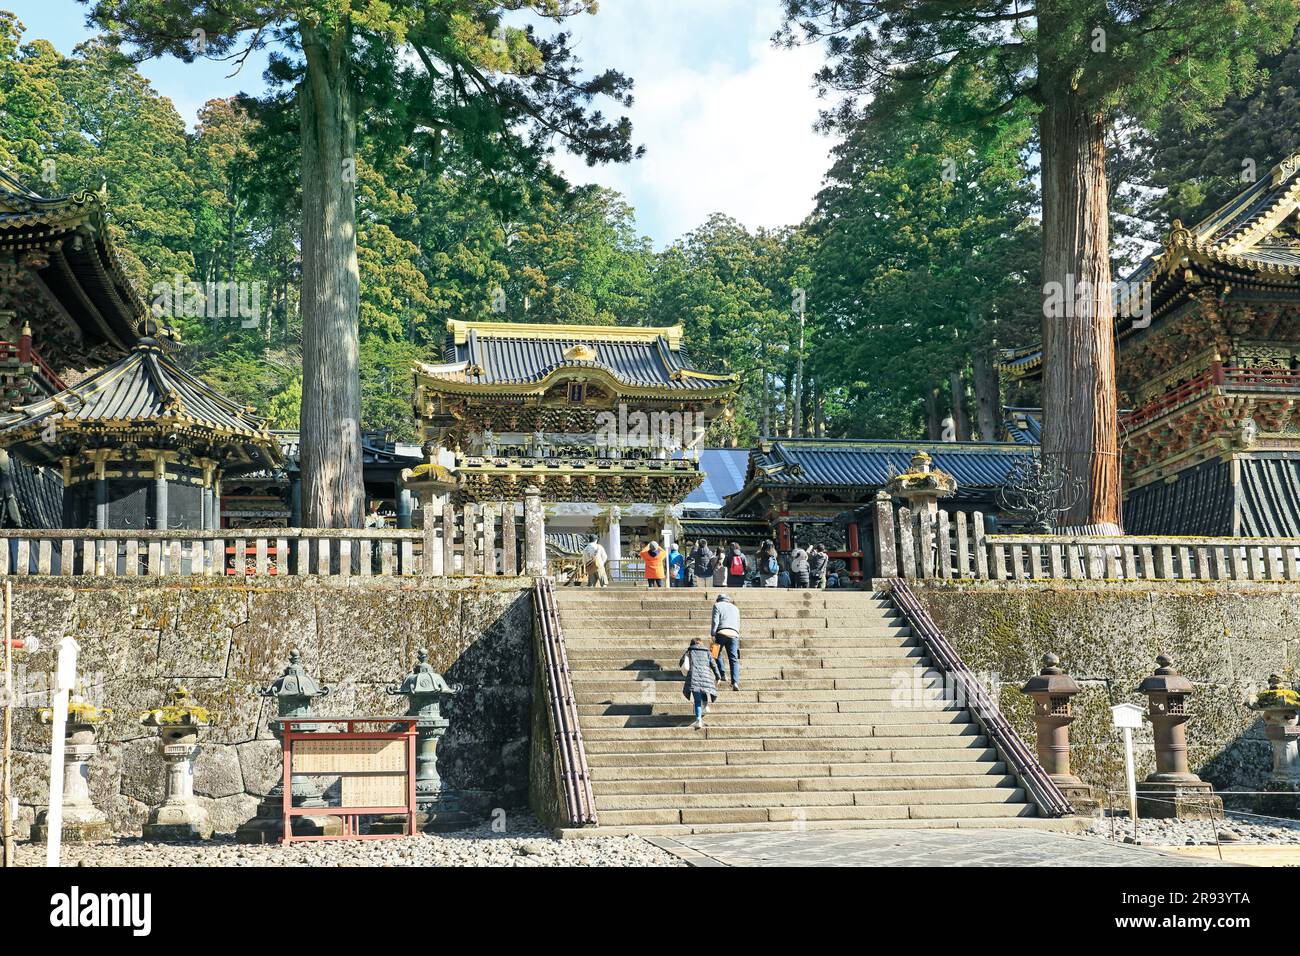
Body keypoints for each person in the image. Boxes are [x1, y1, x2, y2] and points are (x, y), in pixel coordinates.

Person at [679, 637, 718, 730]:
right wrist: (718, 676)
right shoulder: (707, 651)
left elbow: (681, 662)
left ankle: (699, 720)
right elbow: (713, 664)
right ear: (701, 643)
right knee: (704, 691)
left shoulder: (689, 651)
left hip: (694, 677)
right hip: (706, 676)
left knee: (697, 701)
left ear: (691, 644)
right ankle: (705, 705)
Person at [710, 593, 741, 690]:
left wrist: (713, 634)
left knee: (714, 653)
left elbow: (715, 621)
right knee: (733, 659)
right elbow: (738, 622)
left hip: (721, 632)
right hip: (734, 634)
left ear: (718, 600)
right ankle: (735, 682)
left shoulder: (717, 605)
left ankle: (722, 674)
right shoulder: (735, 608)